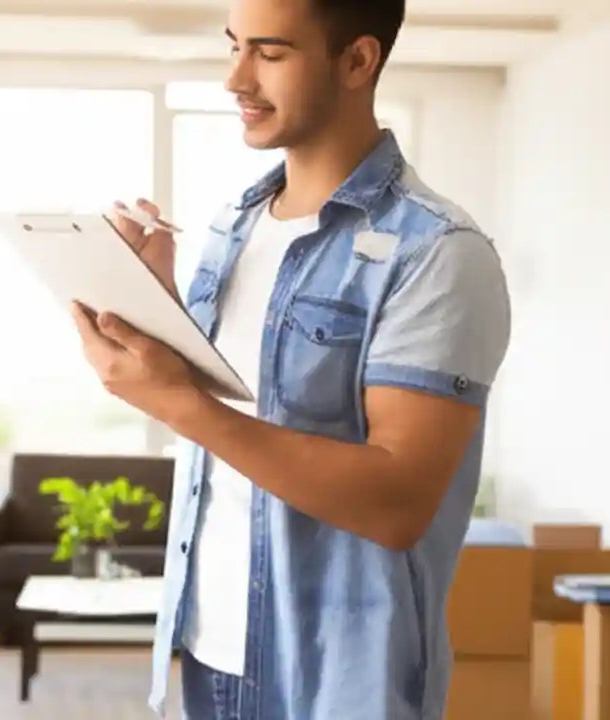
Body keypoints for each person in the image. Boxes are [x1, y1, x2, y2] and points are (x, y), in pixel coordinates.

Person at [68, 0, 511, 717]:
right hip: (211, 648)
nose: (234, 79)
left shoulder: (440, 253)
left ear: (358, 61)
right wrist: (151, 306)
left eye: (270, 54)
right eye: (233, 46)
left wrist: (176, 403)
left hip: (338, 679)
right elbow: (241, 404)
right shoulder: (233, 228)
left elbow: (398, 505)